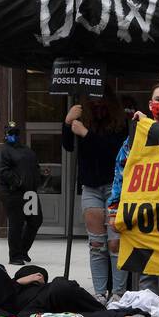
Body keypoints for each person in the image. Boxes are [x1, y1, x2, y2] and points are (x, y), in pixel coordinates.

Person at [108, 82, 159, 315]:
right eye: (158, 99)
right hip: (145, 211)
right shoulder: (137, 134)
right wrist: (114, 209)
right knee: (146, 266)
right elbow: (121, 171)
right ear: (149, 104)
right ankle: (149, 312)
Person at [63, 96, 129, 300]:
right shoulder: (83, 120)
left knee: (115, 243)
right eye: (94, 102)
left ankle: (118, 293)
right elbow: (68, 145)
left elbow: (114, 152)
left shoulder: (121, 124)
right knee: (97, 245)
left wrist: (85, 134)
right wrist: (67, 124)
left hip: (115, 187)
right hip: (91, 186)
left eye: (103, 101)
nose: (99, 106)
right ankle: (100, 294)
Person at [0, 120, 45, 265]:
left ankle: (23, 250)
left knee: (35, 220)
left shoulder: (26, 150)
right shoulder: (3, 150)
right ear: (5, 135)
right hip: (13, 193)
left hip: (30, 192)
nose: (14, 136)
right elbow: (1, 170)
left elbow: (35, 167)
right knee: (16, 224)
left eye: (16, 133)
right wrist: (17, 182)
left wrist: (38, 179)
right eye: (11, 133)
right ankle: (15, 256)